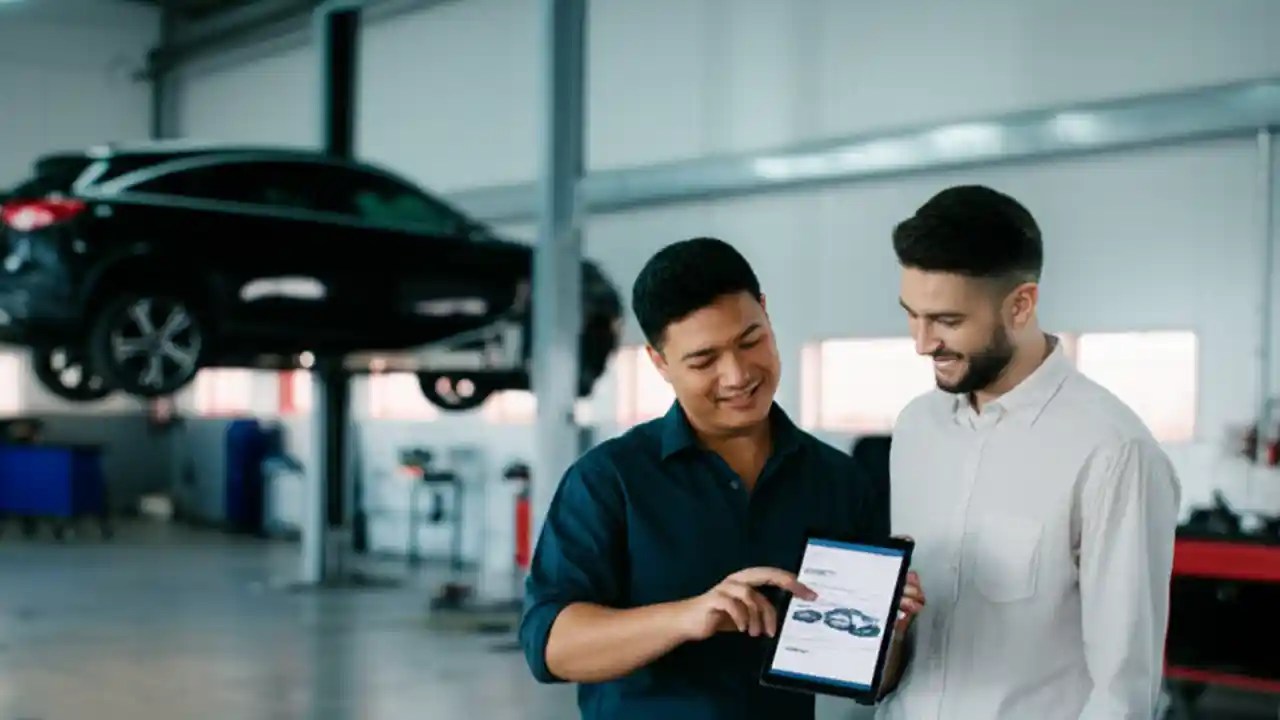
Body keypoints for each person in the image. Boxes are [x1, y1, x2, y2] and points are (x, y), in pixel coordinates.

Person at [519, 237, 924, 720]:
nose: (736, 375)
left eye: (750, 341)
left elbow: (875, 680)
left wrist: (889, 629)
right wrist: (687, 617)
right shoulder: (610, 480)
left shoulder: (837, 480)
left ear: (767, 316)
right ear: (659, 362)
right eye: (704, 360)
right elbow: (550, 646)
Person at [877, 185, 1182, 720]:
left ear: (1021, 304)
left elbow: (1123, 693)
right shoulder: (916, 428)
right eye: (912, 315)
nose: (922, 343)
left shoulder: (1113, 451)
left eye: (947, 321)